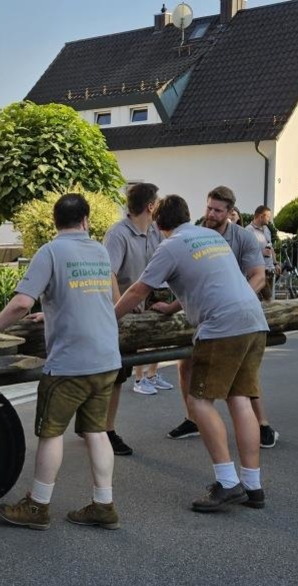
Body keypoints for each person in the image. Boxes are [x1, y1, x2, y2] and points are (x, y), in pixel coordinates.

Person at [116, 194, 269, 512]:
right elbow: (210, 279)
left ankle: (227, 483)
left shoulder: (170, 245)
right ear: (188, 215)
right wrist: (174, 305)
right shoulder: (211, 235)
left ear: (159, 224)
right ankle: (253, 486)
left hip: (222, 327)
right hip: (253, 320)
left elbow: (137, 290)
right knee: (239, 398)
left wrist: (108, 317)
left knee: (199, 401)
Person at [0, 193, 123, 530]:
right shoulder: (100, 252)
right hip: (106, 358)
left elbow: (20, 302)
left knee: (51, 434)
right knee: (96, 432)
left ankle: (38, 505)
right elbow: (97, 300)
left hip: (69, 364)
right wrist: (50, 314)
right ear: (86, 220)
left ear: (55, 221)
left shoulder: (51, 252)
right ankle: (103, 505)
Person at [165, 186, 279, 451]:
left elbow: (259, 277)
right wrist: (171, 308)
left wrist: (237, 300)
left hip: (235, 314)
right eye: (208, 208)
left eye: (218, 210)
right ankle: (192, 419)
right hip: (204, 312)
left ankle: (262, 424)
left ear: (231, 213)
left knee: (241, 376)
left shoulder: (244, 238)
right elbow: (192, 281)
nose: (211, 214)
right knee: (185, 363)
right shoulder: (196, 233)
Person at [101, 182, 169, 456]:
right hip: (117, 315)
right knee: (113, 375)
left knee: (120, 373)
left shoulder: (155, 232)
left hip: (138, 310)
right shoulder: (118, 234)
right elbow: (109, 274)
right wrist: (122, 307)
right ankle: (106, 431)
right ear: (151, 206)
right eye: (159, 202)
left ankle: (94, 426)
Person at [246, 205, 281, 302]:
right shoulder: (248, 231)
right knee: (267, 300)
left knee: (267, 301)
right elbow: (246, 252)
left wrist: (275, 263)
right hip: (259, 271)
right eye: (268, 217)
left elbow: (270, 247)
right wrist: (261, 252)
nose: (269, 220)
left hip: (270, 271)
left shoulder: (267, 229)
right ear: (261, 216)